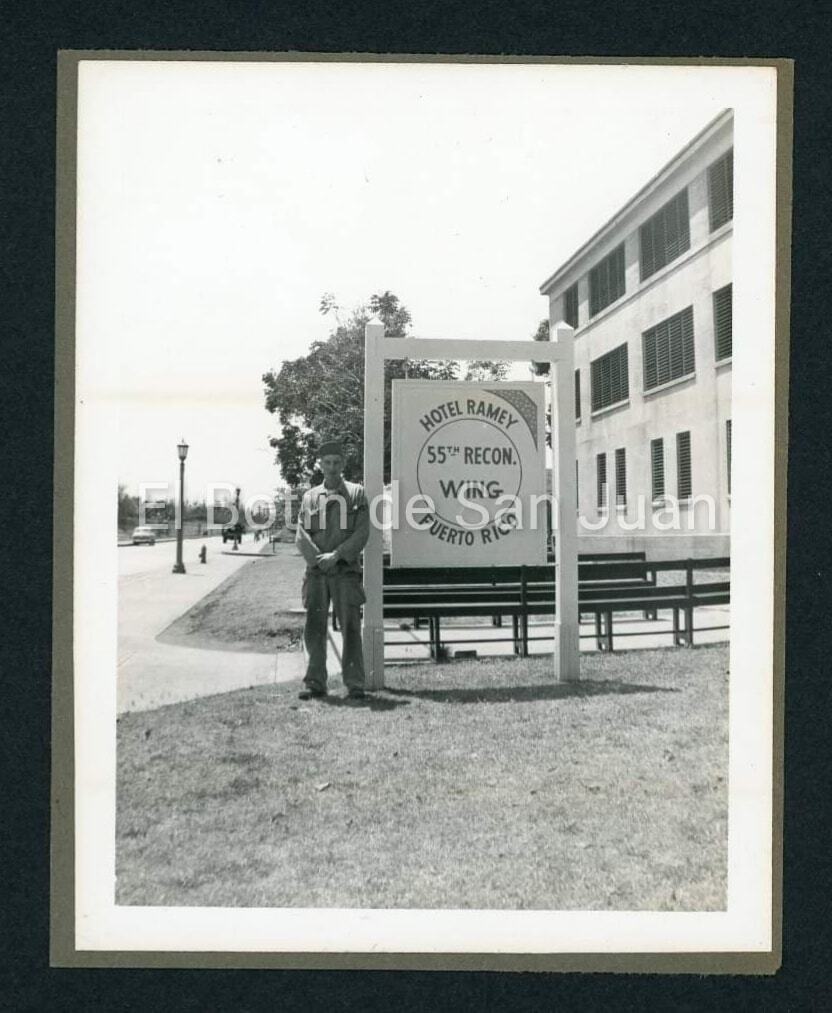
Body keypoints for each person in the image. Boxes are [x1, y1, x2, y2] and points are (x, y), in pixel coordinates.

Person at [295, 439, 370, 700]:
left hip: (345, 572)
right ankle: (315, 682)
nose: (332, 467)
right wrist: (318, 559)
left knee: (350, 627)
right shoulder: (310, 497)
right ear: (320, 464)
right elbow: (301, 534)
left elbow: (362, 532)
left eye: (337, 462)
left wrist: (336, 555)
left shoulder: (357, 493)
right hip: (317, 573)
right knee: (314, 626)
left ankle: (355, 683)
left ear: (344, 463)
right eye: (327, 462)